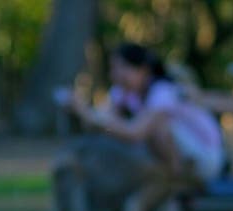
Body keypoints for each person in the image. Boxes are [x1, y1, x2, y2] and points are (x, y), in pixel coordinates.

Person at [67, 43, 224, 183]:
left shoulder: (163, 91)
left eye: (121, 68)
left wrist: (87, 114)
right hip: (182, 152)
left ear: (143, 70)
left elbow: (134, 132)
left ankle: (176, 177)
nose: (114, 75)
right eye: (113, 68)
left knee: (157, 128)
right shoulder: (124, 92)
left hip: (206, 158)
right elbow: (102, 120)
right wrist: (83, 113)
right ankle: (166, 177)